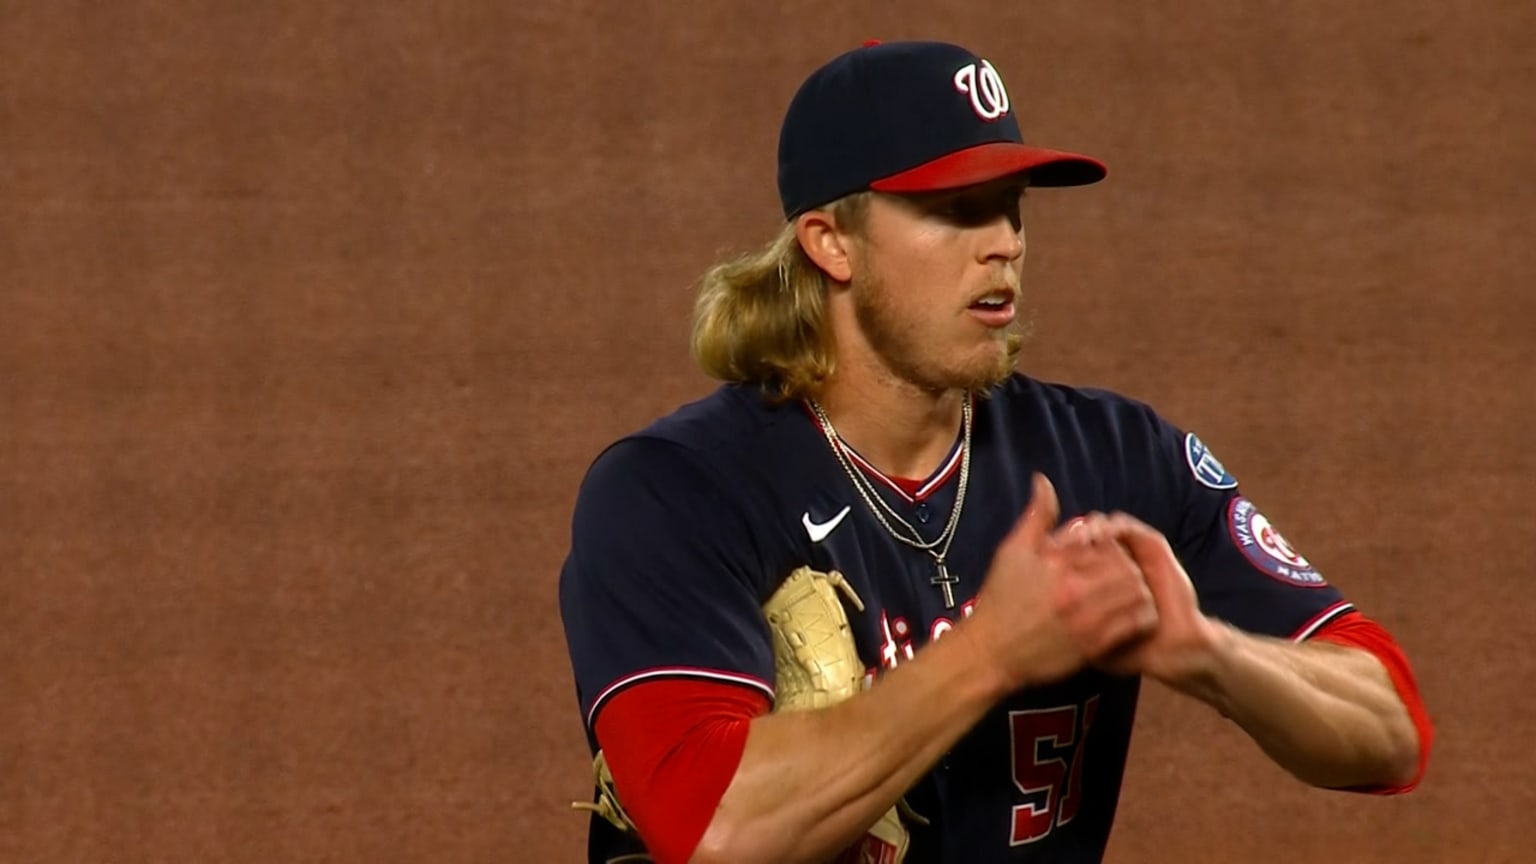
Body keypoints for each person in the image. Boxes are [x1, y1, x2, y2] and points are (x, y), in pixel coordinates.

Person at [557, 38, 1433, 864]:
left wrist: (1206, 649)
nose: (1004, 242)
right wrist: (993, 650)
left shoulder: (1115, 457)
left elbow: (1392, 729)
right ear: (831, 243)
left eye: (1010, 209)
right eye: (954, 211)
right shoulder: (677, 490)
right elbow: (710, 830)